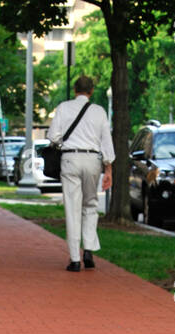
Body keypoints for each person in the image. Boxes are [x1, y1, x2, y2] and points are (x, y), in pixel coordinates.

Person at [47, 75, 114, 272]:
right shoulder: (99, 111)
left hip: (70, 159)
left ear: (75, 90)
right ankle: (89, 250)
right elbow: (106, 141)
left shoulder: (63, 108)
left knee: (72, 208)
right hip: (92, 160)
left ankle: (75, 259)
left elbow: (53, 136)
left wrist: (64, 143)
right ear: (91, 91)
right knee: (90, 204)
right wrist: (108, 168)